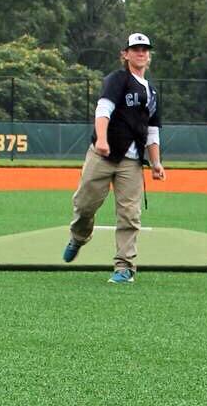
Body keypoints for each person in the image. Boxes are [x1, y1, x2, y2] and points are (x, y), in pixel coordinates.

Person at [63, 32, 166, 283]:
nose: (141, 53)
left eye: (145, 50)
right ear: (125, 54)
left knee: (130, 214)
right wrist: (101, 139)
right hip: (103, 154)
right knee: (84, 205)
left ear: (148, 56)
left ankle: (124, 268)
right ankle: (79, 236)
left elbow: (152, 131)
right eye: (136, 49)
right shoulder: (117, 79)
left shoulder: (152, 92)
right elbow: (103, 109)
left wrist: (155, 163)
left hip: (131, 162)